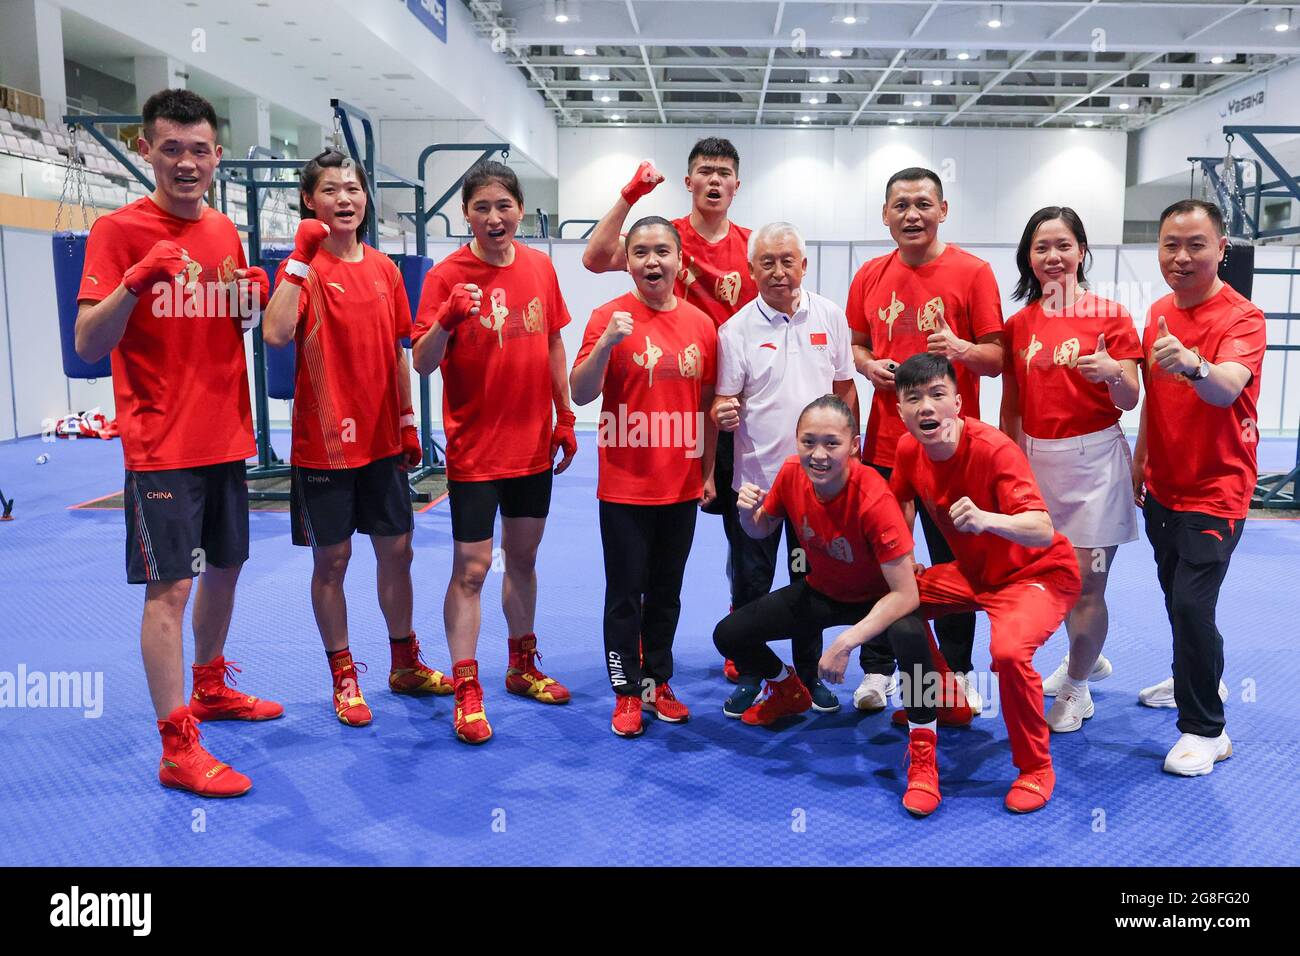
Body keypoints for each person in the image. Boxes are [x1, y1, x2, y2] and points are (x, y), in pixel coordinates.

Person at [74, 89, 281, 797]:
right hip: (161, 442)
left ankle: (210, 684)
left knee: (224, 569)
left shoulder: (225, 232)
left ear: (217, 154)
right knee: (171, 590)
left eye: (199, 150)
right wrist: (134, 282)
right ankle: (175, 745)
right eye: (172, 149)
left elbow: (227, 328)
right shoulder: (118, 230)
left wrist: (249, 301)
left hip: (226, 435)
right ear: (147, 151)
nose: (187, 163)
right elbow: (88, 341)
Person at [263, 149, 451, 727]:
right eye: (331, 190)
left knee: (398, 552)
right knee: (334, 560)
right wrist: (297, 260)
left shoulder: (387, 270)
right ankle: (344, 676)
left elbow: (399, 352)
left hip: (381, 441)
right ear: (308, 200)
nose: (345, 199)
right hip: (323, 442)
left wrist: (407, 420)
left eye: (354, 189)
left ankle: (404, 662)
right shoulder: (303, 269)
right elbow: (274, 334)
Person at [714, 395, 962, 817]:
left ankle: (923, 753)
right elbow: (760, 529)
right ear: (796, 443)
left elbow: (906, 594)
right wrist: (745, 513)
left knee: (911, 640)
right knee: (730, 634)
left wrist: (846, 642)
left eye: (831, 443)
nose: (819, 454)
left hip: (880, 599)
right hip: (823, 592)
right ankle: (788, 687)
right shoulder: (793, 473)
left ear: (854, 445)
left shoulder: (874, 499)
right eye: (808, 442)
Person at [411, 161, 578, 745]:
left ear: (521, 210)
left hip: (533, 444)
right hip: (476, 449)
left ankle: (522, 663)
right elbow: (423, 361)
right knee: (473, 569)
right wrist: (449, 321)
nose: (494, 217)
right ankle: (465, 684)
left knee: (524, 560)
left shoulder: (538, 267)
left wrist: (565, 415)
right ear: (466, 214)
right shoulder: (445, 276)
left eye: (503, 206)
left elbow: (555, 340)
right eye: (481, 207)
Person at [583, 138, 756, 681]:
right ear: (689, 182)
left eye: (723, 172)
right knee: (634, 577)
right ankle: (631, 680)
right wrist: (630, 194)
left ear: (735, 184)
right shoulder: (664, 235)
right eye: (704, 171)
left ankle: (740, 636)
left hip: (729, 411)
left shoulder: (751, 248)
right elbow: (592, 257)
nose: (713, 180)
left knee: (745, 538)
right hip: (656, 414)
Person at [891, 354, 1081, 813]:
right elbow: (901, 501)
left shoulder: (993, 448)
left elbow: (1040, 526)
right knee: (897, 603)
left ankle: (1036, 768)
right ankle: (945, 699)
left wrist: (987, 519)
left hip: (1037, 573)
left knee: (1008, 654)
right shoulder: (907, 449)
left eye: (937, 395)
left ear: (957, 401)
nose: (926, 407)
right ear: (900, 410)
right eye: (913, 399)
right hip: (976, 575)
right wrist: (909, 560)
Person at [847, 167, 1004, 714]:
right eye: (900, 205)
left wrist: (961, 348)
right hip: (886, 445)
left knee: (955, 562)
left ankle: (956, 672)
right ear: (885, 214)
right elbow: (858, 348)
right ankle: (877, 668)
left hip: (953, 454)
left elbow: (997, 356)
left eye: (922, 204)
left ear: (943, 210)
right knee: (883, 560)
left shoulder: (974, 272)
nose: (911, 214)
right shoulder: (869, 274)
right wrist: (870, 369)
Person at [571, 216, 718, 739]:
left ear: (680, 261)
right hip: (625, 485)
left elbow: (704, 407)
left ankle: (657, 681)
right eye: (640, 253)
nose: (652, 262)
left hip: (679, 485)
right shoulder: (606, 316)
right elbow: (580, 393)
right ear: (627, 260)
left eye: (662, 252)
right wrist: (606, 344)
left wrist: (707, 473)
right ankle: (626, 690)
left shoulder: (702, 325)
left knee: (667, 592)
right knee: (624, 592)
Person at [1132, 199, 1265, 776]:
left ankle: (1206, 729)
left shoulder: (1243, 317)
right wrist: (1140, 458)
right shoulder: (1158, 309)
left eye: (1196, 245)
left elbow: (1226, 387)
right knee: (1177, 600)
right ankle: (1195, 674)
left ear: (1221, 248)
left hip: (1218, 489)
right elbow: (1153, 405)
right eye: (1170, 245)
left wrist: (1193, 363)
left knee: (1190, 603)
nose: (1181, 257)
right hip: (1164, 484)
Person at [1000, 207, 1142, 732]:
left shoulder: (1112, 316)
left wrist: (1111, 375)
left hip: (1096, 462)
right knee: (1048, 581)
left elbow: (1130, 398)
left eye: (1063, 245)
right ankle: (1085, 658)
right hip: (1036, 462)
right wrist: (1009, 467)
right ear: (1028, 258)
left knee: (1087, 585)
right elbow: (1012, 405)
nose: (1053, 257)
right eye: (1041, 248)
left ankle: (1078, 686)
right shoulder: (1018, 324)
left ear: (1082, 250)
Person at [710, 221, 859, 717]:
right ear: (751, 270)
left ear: (804, 264)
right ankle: (756, 676)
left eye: (787, 261)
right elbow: (725, 403)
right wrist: (723, 415)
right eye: (766, 263)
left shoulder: (831, 316)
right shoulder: (733, 331)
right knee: (751, 586)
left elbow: (845, 389)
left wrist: (849, 457)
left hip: (817, 486)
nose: (778, 272)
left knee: (810, 585)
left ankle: (810, 674)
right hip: (755, 485)